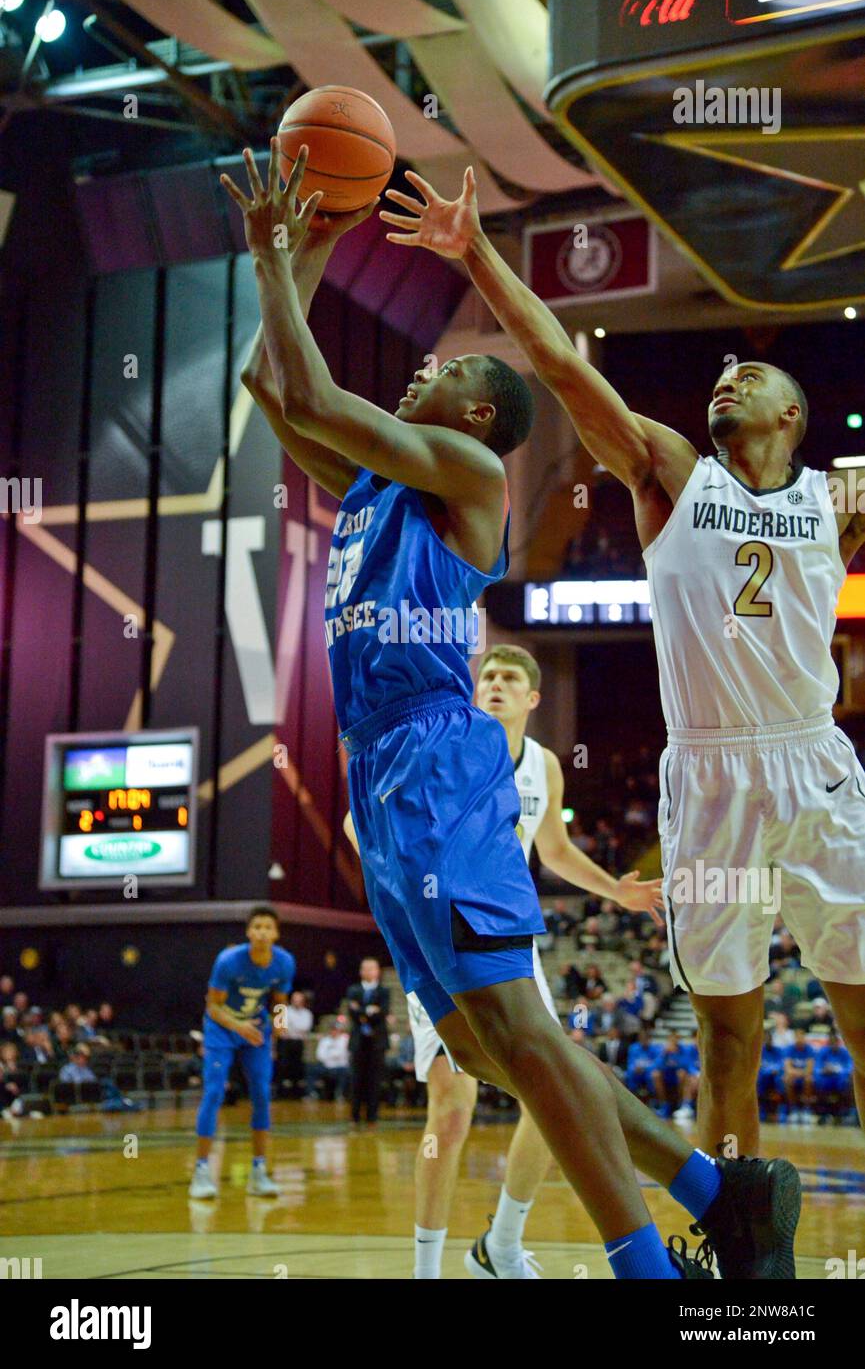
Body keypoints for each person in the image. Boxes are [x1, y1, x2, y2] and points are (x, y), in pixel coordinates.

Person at [221, 143, 801, 1281]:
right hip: (378, 777)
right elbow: (272, 389)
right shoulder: (382, 485)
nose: (411, 382)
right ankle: (715, 1192)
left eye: (437, 379)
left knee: (524, 1036)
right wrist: (305, 257)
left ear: (475, 412)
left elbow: (321, 394)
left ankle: (653, 1268)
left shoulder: (468, 479)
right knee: (489, 1047)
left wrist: (278, 263)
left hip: (439, 765)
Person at [381, 162, 865, 1163]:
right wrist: (474, 250)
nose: (730, 370)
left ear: (792, 419)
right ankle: (736, 1249)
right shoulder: (668, 472)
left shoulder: (836, 498)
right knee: (729, 1038)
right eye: (722, 369)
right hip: (714, 774)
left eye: (756, 375)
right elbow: (561, 365)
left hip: (817, 767)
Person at [345, 641, 663, 1278]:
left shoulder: (544, 765)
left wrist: (617, 891)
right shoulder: (447, 743)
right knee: (452, 1108)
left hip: (509, 942)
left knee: (556, 1092)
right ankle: (426, 1271)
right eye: (486, 673)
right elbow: (361, 826)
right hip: (441, 937)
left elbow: (556, 851)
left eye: (509, 677)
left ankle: (502, 1245)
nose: (493, 682)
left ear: (532, 698)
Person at [188, 906, 295, 1199]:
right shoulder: (228, 961)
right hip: (221, 1028)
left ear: (276, 933)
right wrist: (239, 1027)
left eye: (267, 927)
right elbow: (213, 1006)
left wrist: (281, 1025)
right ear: (248, 932)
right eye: (256, 926)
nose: (262, 932)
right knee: (213, 1093)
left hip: (255, 1029)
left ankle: (259, 1171)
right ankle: (200, 1170)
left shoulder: (284, 962)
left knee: (261, 1093)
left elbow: (280, 1001)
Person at [345, 959, 390, 1126]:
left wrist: (362, 1011)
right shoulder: (353, 990)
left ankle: (372, 1117)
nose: (369, 971)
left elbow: (382, 1013)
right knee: (356, 1080)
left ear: (378, 971)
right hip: (358, 1042)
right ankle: (354, 1116)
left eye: (372, 968)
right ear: (360, 971)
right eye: (365, 968)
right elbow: (352, 1013)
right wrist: (370, 1011)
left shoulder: (384, 991)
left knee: (375, 1080)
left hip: (377, 1043)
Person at [274, 990, 314, 1095]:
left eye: (299, 1000)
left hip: (298, 1043)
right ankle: (279, 1091)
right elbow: (281, 1029)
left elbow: (305, 1028)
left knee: (297, 1067)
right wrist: (293, 1029)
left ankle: (295, 1092)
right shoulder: (284, 1011)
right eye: (295, 999)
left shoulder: (307, 1013)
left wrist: (291, 1028)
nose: (297, 1002)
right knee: (282, 1066)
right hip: (285, 1042)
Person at [814, 1032, 854, 1123]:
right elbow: (817, 1068)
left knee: (846, 1083)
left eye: (835, 1042)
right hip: (826, 1078)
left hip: (840, 1078)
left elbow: (849, 1067)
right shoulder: (823, 1051)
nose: (833, 1044)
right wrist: (823, 1070)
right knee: (818, 1082)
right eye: (831, 1042)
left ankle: (841, 1113)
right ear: (828, 1043)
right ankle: (823, 1113)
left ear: (838, 1042)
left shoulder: (844, 1052)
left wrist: (837, 1070)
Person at [308, 1021, 350, 1101]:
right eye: (333, 1029)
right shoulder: (325, 1040)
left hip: (340, 1067)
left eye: (336, 1030)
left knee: (346, 1071)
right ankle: (311, 1093)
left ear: (340, 1031)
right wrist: (333, 1056)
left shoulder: (345, 1039)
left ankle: (339, 1093)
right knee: (310, 1068)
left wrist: (330, 1055)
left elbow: (342, 1054)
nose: (334, 1031)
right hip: (326, 1066)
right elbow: (320, 1056)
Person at [783, 1031, 817, 1125]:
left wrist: (799, 1073)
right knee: (787, 1079)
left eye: (801, 1038)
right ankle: (793, 1109)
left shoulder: (809, 1049)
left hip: (804, 1075)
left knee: (809, 1079)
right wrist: (799, 1073)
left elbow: (810, 1069)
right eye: (798, 1038)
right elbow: (787, 1068)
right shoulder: (789, 1049)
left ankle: (806, 1109)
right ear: (795, 1039)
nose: (800, 1040)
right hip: (794, 1075)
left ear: (804, 1039)